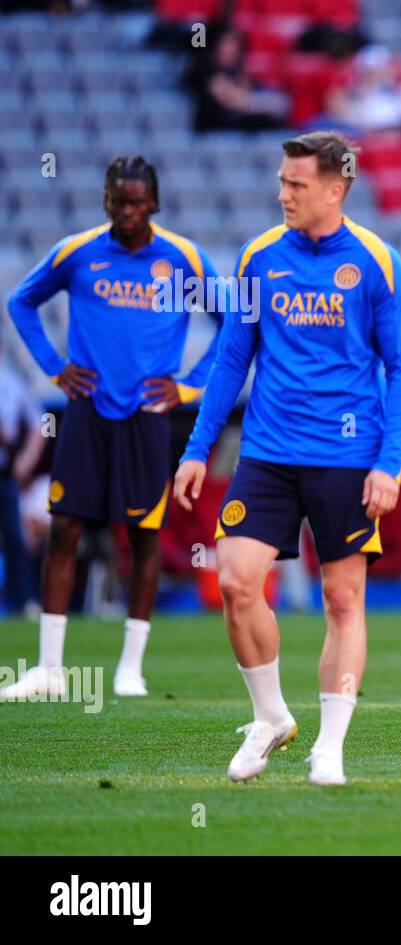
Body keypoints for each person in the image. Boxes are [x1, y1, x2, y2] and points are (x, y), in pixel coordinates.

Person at [173, 132, 401, 786]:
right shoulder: (258, 257)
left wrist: (388, 463)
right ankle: (272, 715)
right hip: (269, 451)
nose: (284, 194)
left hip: (348, 455)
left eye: (297, 185)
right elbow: (232, 359)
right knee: (235, 580)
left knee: (343, 596)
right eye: (282, 181)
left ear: (335, 190)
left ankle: (330, 745)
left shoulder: (377, 263)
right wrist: (198, 448)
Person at [2, 156, 222, 700]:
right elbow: (21, 301)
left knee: (144, 536)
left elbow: (236, 320)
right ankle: (50, 670)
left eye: (137, 202)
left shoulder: (183, 257)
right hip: (86, 414)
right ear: (106, 201)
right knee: (64, 530)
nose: (128, 212)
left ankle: (131, 667)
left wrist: (191, 385)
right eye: (118, 202)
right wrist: (54, 366)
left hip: (148, 418)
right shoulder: (78, 253)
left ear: (155, 203)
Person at [0, 346, 45, 616]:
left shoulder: (11, 382)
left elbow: (41, 423)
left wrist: (26, 459)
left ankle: (24, 599)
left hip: (5, 473)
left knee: (16, 536)